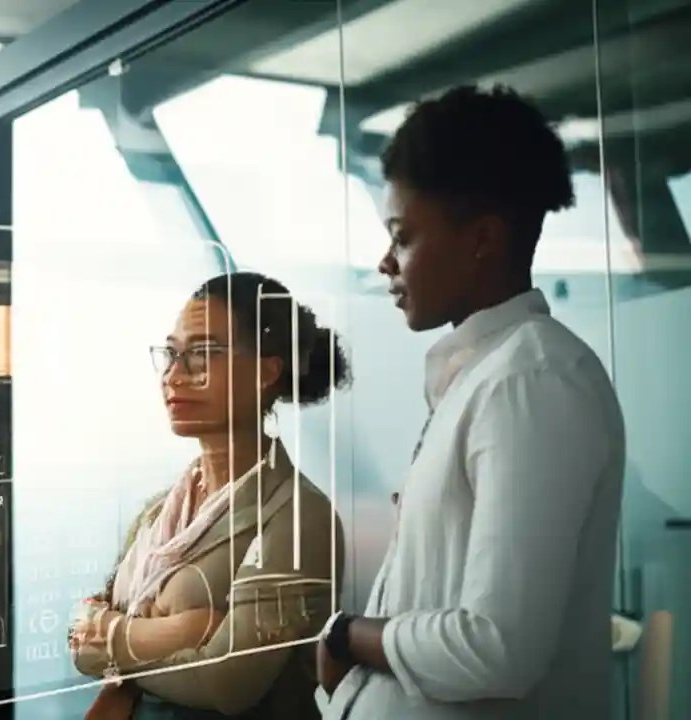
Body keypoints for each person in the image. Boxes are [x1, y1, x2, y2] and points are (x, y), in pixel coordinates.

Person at [314, 85, 626, 720]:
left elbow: (497, 648)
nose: (386, 262)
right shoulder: (487, 375)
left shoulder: (530, 381)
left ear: (482, 239)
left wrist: (350, 636)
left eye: (402, 237)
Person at [71, 272, 348, 719]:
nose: (174, 375)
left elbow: (226, 684)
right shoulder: (161, 511)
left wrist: (112, 640)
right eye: (171, 354)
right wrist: (189, 629)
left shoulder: (299, 516)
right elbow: (80, 636)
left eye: (201, 354)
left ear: (265, 371)